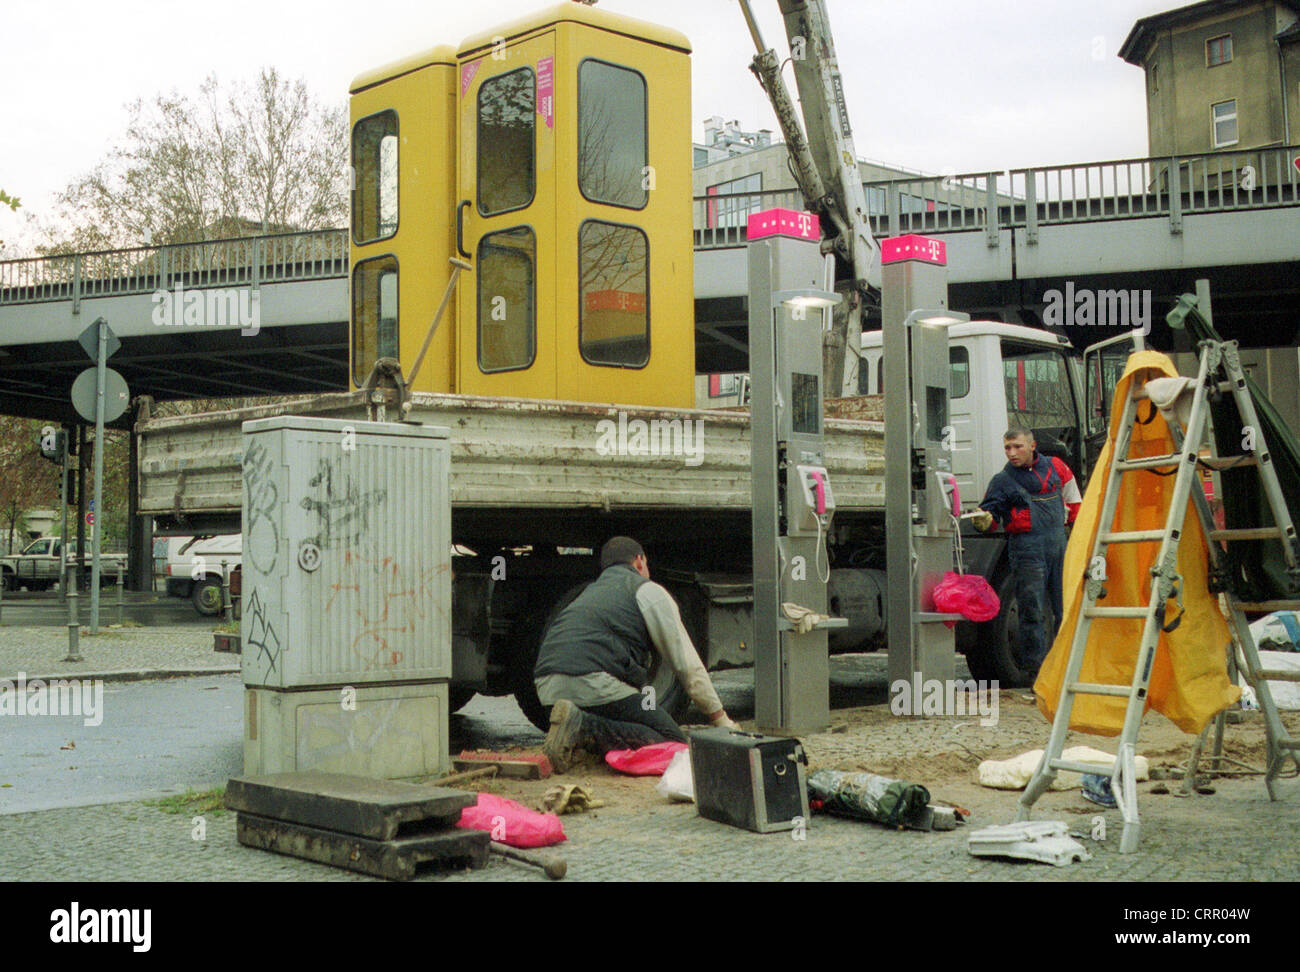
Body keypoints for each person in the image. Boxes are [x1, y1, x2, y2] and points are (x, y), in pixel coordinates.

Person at [534, 536, 738, 772]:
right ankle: (584, 728)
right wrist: (720, 719)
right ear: (639, 561)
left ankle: (579, 732)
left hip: (547, 689)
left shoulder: (590, 592)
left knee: (626, 722)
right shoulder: (647, 590)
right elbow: (687, 665)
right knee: (672, 741)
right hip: (592, 681)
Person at [972, 427, 1081, 681]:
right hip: (1027, 552)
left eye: (1018, 447)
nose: (1012, 453)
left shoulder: (1057, 467)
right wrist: (984, 521)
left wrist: (1078, 541)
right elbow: (991, 519)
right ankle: (1038, 674)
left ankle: (1069, 669)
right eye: (1007, 448)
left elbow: (1075, 504)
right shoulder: (1002, 481)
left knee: (1066, 610)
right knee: (1031, 612)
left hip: (1059, 548)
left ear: (1032, 446)